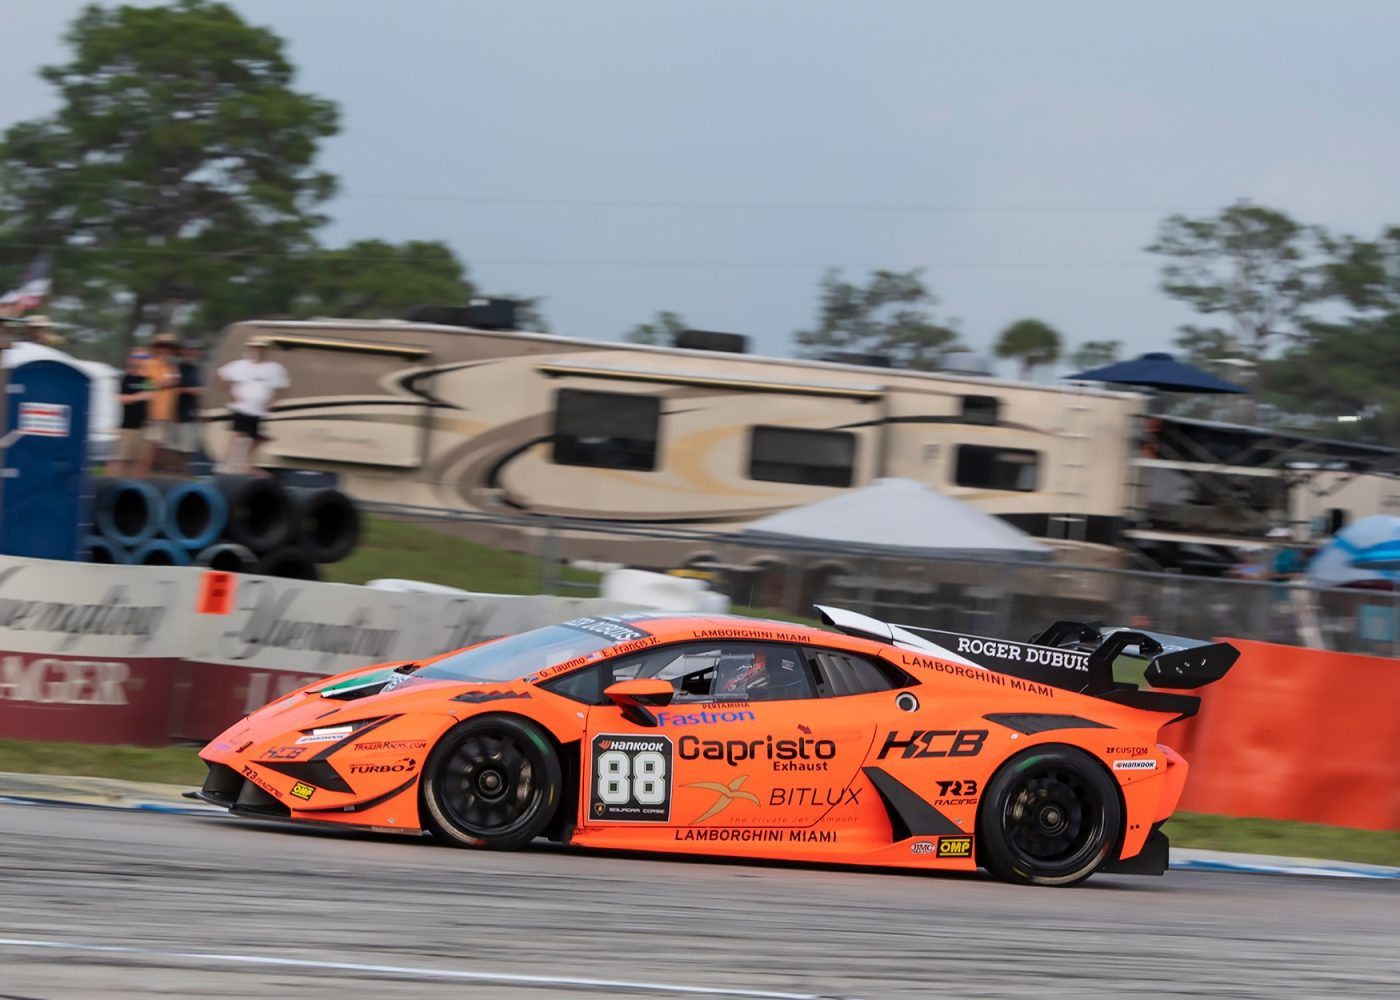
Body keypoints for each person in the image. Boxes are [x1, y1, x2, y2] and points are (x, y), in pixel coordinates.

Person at [217, 336, 288, 474]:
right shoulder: (240, 365)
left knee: (258, 437)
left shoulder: (274, 368)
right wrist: (229, 392)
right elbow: (220, 375)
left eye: (261, 348)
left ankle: (246, 464)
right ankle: (225, 463)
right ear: (251, 349)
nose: (258, 351)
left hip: (259, 410)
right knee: (238, 434)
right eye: (256, 348)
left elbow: (283, 387)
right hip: (242, 407)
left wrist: (273, 401)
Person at [143, 333, 183, 473]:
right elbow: (146, 386)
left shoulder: (173, 367)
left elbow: (176, 388)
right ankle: (143, 475)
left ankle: (156, 476)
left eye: (169, 348)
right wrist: (167, 383)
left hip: (168, 414)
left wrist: (174, 413)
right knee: (150, 447)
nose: (165, 351)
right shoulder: (149, 364)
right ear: (156, 348)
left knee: (164, 447)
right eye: (162, 347)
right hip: (154, 412)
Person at [112, 348, 154, 477]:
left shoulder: (146, 379)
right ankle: (114, 482)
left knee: (139, 459)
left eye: (144, 357)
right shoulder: (125, 378)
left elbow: (151, 396)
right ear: (130, 359)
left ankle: (134, 485)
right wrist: (139, 396)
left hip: (142, 426)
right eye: (138, 357)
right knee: (120, 458)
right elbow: (119, 398)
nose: (140, 360)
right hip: (126, 426)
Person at [174, 339, 205, 471]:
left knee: (189, 449)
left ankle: (183, 475)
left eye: (195, 350)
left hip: (192, 413)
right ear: (183, 351)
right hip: (179, 413)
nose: (192, 352)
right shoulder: (178, 368)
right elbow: (171, 389)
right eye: (189, 349)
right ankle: (177, 474)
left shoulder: (197, 368)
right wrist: (192, 390)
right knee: (179, 449)